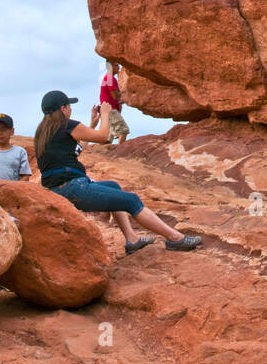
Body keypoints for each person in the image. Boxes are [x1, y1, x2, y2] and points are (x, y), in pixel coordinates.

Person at [34, 90, 201, 254]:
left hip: (59, 189)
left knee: (113, 186)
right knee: (132, 200)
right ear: (63, 109)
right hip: (74, 188)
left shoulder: (43, 133)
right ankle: (175, 239)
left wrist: (92, 124)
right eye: (69, 106)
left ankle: (132, 240)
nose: (71, 109)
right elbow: (103, 137)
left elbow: (76, 151)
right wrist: (106, 114)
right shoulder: (67, 125)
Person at [100, 60, 129, 146]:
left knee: (108, 137)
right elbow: (115, 96)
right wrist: (124, 95)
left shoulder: (108, 78)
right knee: (123, 130)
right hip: (110, 109)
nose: (119, 67)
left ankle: (104, 154)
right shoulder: (109, 78)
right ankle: (120, 151)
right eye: (117, 65)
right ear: (110, 67)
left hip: (107, 109)